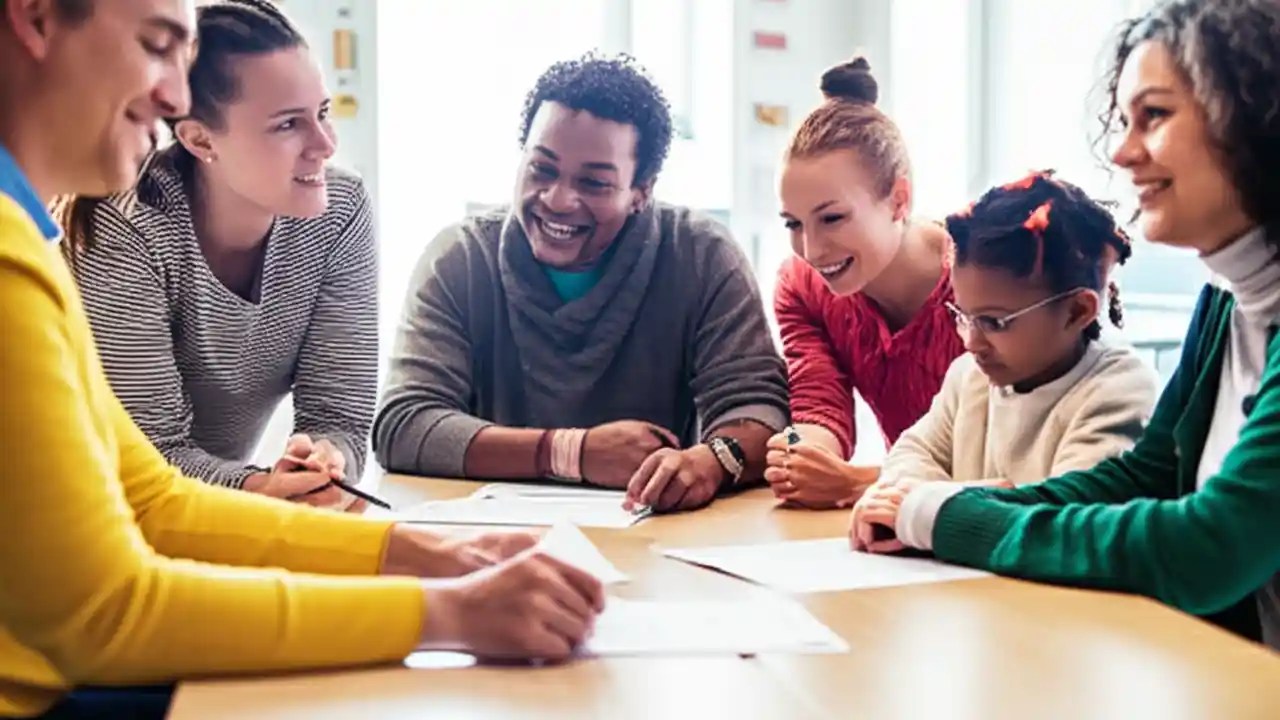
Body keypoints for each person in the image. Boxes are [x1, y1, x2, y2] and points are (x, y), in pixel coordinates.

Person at [0, 1, 603, 717]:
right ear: (35, 19)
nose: (172, 95)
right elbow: (106, 612)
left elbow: (153, 498)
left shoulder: (22, 237)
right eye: (156, 45)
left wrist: (423, 555)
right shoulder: (20, 257)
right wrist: (447, 613)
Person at [851, 0, 1280, 647]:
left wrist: (945, 518)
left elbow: (1208, 547)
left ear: (1255, 116)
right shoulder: (1226, 302)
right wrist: (951, 509)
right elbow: (1146, 476)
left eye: (1155, 116)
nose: (1122, 150)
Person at [374, 53, 789, 514]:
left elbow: (760, 412)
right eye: (542, 169)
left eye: (593, 183)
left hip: (657, 537)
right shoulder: (462, 259)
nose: (557, 200)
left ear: (641, 192)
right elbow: (403, 425)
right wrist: (573, 452)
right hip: (488, 539)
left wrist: (712, 460)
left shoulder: (701, 256)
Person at [57, 0, 375, 509]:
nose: (325, 144)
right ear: (200, 139)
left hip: (212, 521)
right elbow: (148, 454)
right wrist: (260, 488)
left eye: (321, 113)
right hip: (96, 513)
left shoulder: (340, 209)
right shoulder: (126, 226)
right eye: (288, 125)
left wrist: (323, 463)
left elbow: (340, 415)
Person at [851, 170, 1157, 523]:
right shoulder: (970, 376)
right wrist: (926, 501)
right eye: (963, 316)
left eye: (995, 322)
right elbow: (911, 454)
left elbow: (1064, 517)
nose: (971, 341)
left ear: (1077, 311)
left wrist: (928, 506)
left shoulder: (1119, 390)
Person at [765, 56, 964, 509]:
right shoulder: (801, 285)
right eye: (793, 224)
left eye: (832, 218)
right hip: (904, 530)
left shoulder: (983, 278)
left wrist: (862, 481)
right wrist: (799, 453)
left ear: (898, 200)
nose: (812, 250)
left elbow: (1017, 466)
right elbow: (819, 406)